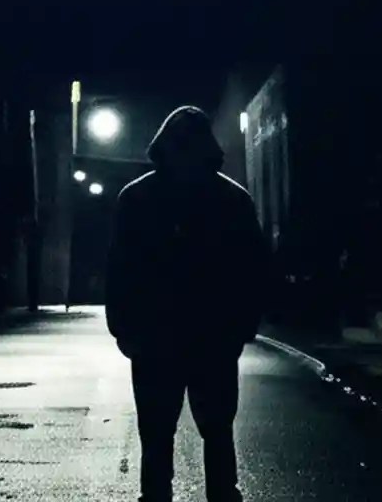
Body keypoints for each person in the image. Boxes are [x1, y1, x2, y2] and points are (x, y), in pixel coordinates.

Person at [106, 106, 272, 502]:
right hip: (211, 336)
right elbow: (253, 269)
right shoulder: (232, 199)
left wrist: (124, 329)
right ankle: (221, 495)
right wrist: (242, 327)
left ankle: (158, 497)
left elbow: (120, 268)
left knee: (158, 433)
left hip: (155, 337)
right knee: (215, 429)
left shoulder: (136, 198)